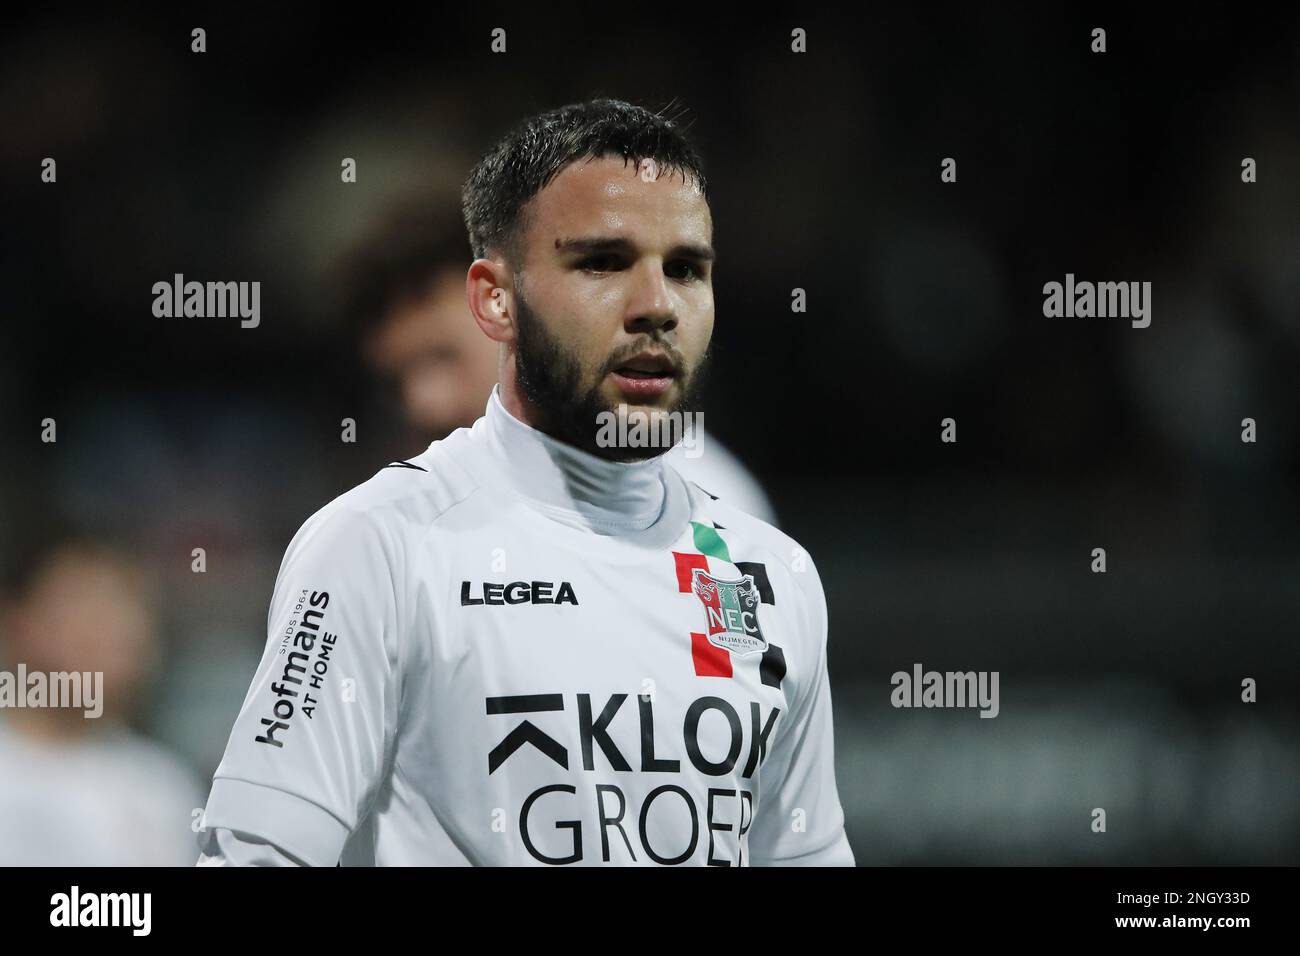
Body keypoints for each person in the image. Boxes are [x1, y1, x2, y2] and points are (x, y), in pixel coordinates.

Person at [197, 98, 852, 866]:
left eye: (686, 269)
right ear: (495, 299)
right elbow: (256, 854)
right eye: (603, 263)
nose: (657, 307)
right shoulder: (376, 545)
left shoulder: (773, 571)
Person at [338, 199, 778, 525]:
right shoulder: (405, 520)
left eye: (442, 357)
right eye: (397, 382)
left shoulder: (704, 502)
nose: (423, 404)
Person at [0, 535, 204, 865]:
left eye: (127, 611)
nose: (117, 633)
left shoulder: (163, 786)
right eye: (87, 607)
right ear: (20, 622)